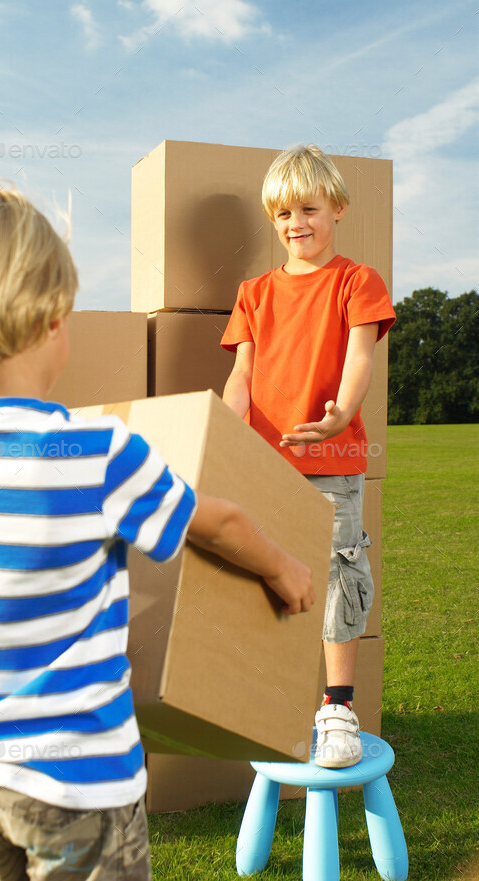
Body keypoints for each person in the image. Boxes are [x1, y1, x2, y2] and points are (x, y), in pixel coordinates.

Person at [0, 182, 315, 881]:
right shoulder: (93, 455)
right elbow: (220, 523)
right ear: (48, 320)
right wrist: (282, 568)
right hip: (73, 779)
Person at [221, 145, 396, 769]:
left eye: (309, 209)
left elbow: (360, 357)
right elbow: (242, 374)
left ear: (338, 208)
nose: (295, 223)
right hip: (264, 466)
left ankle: (339, 708)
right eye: (283, 213)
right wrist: (227, 427)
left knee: (339, 574)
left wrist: (342, 414)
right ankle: (269, 699)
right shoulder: (253, 292)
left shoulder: (357, 281)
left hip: (331, 461)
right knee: (264, 577)